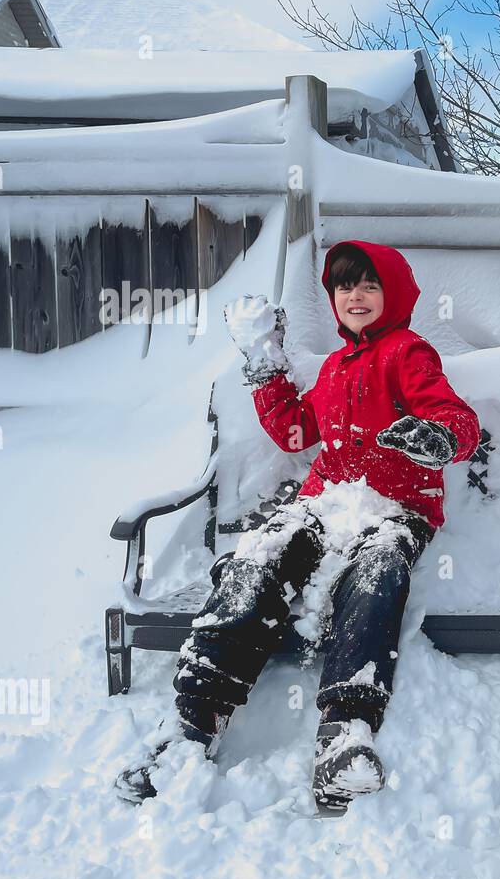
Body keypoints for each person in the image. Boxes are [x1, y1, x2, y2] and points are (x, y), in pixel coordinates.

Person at [115, 241, 481, 811]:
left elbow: (453, 415)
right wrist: (266, 365)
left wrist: (440, 437)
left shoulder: (409, 353)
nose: (355, 296)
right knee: (259, 559)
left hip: (395, 508)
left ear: (394, 295)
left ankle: (345, 732)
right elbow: (294, 432)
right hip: (327, 503)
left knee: (376, 575)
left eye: (368, 285)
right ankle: (192, 721)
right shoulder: (334, 368)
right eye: (344, 287)